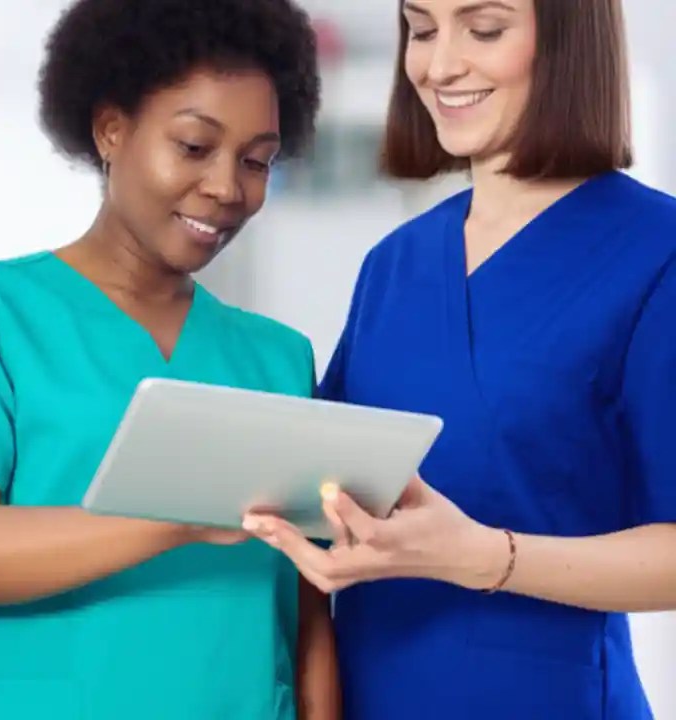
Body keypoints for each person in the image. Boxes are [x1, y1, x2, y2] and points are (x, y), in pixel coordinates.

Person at [0, 1, 336, 718]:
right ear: (111, 128)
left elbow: (307, 621)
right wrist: (175, 517)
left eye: (256, 162)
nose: (226, 187)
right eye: (193, 146)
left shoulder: (279, 359)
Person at [242, 1, 676, 718]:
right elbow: (326, 487)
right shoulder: (396, 263)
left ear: (567, 42)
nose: (439, 65)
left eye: (484, 29)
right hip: (371, 692)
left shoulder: (657, 253)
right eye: (421, 30)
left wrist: (483, 557)